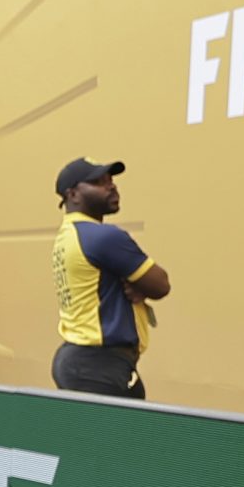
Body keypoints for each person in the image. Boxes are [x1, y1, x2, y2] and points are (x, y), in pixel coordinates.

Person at [51, 159, 171, 399]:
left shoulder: (67, 236)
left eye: (111, 181)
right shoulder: (103, 237)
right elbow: (160, 285)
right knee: (123, 424)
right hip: (99, 366)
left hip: (80, 362)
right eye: (98, 182)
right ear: (73, 194)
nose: (111, 186)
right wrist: (141, 286)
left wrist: (136, 287)